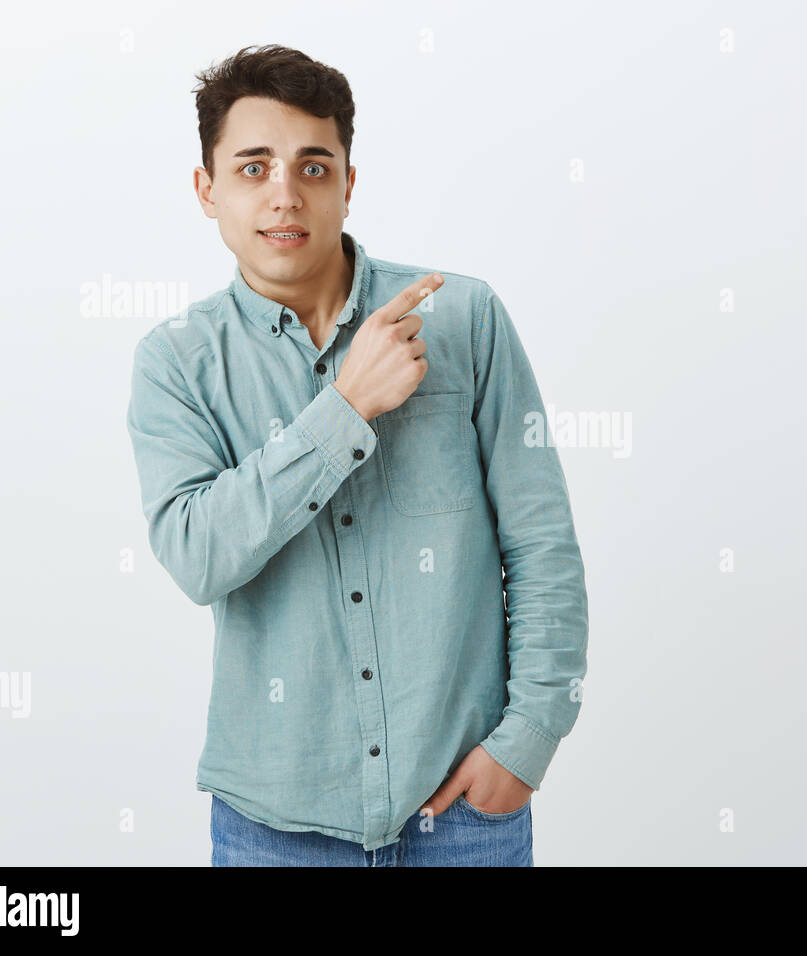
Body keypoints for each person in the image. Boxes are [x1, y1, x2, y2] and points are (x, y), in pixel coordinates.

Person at [125, 44, 588, 867]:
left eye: (313, 166)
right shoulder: (177, 362)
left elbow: (542, 543)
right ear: (207, 189)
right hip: (272, 829)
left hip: (465, 817)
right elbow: (198, 557)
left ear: (348, 183)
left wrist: (528, 739)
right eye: (253, 167)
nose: (285, 194)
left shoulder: (464, 319)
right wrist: (345, 408)